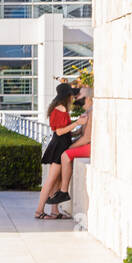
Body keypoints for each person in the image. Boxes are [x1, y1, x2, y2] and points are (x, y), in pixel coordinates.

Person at [35, 83, 82, 220]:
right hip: (59, 146)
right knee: (51, 181)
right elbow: (60, 131)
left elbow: (63, 131)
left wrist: (77, 132)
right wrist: (77, 123)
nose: (73, 98)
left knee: (57, 181)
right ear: (67, 96)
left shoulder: (58, 107)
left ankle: (54, 211)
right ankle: (39, 211)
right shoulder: (61, 108)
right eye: (71, 95)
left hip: (60, 144)